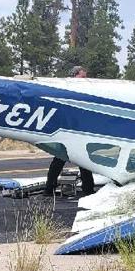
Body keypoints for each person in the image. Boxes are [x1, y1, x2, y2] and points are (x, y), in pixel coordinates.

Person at [43, 67, 95, 197]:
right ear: (74, 76)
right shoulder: (67, 90)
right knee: (61, 160)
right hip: (68, 131)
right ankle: (49, 188)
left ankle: (87, 189)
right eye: (82, 77)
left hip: (78, 132)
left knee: (82, 161)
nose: (85, 80)